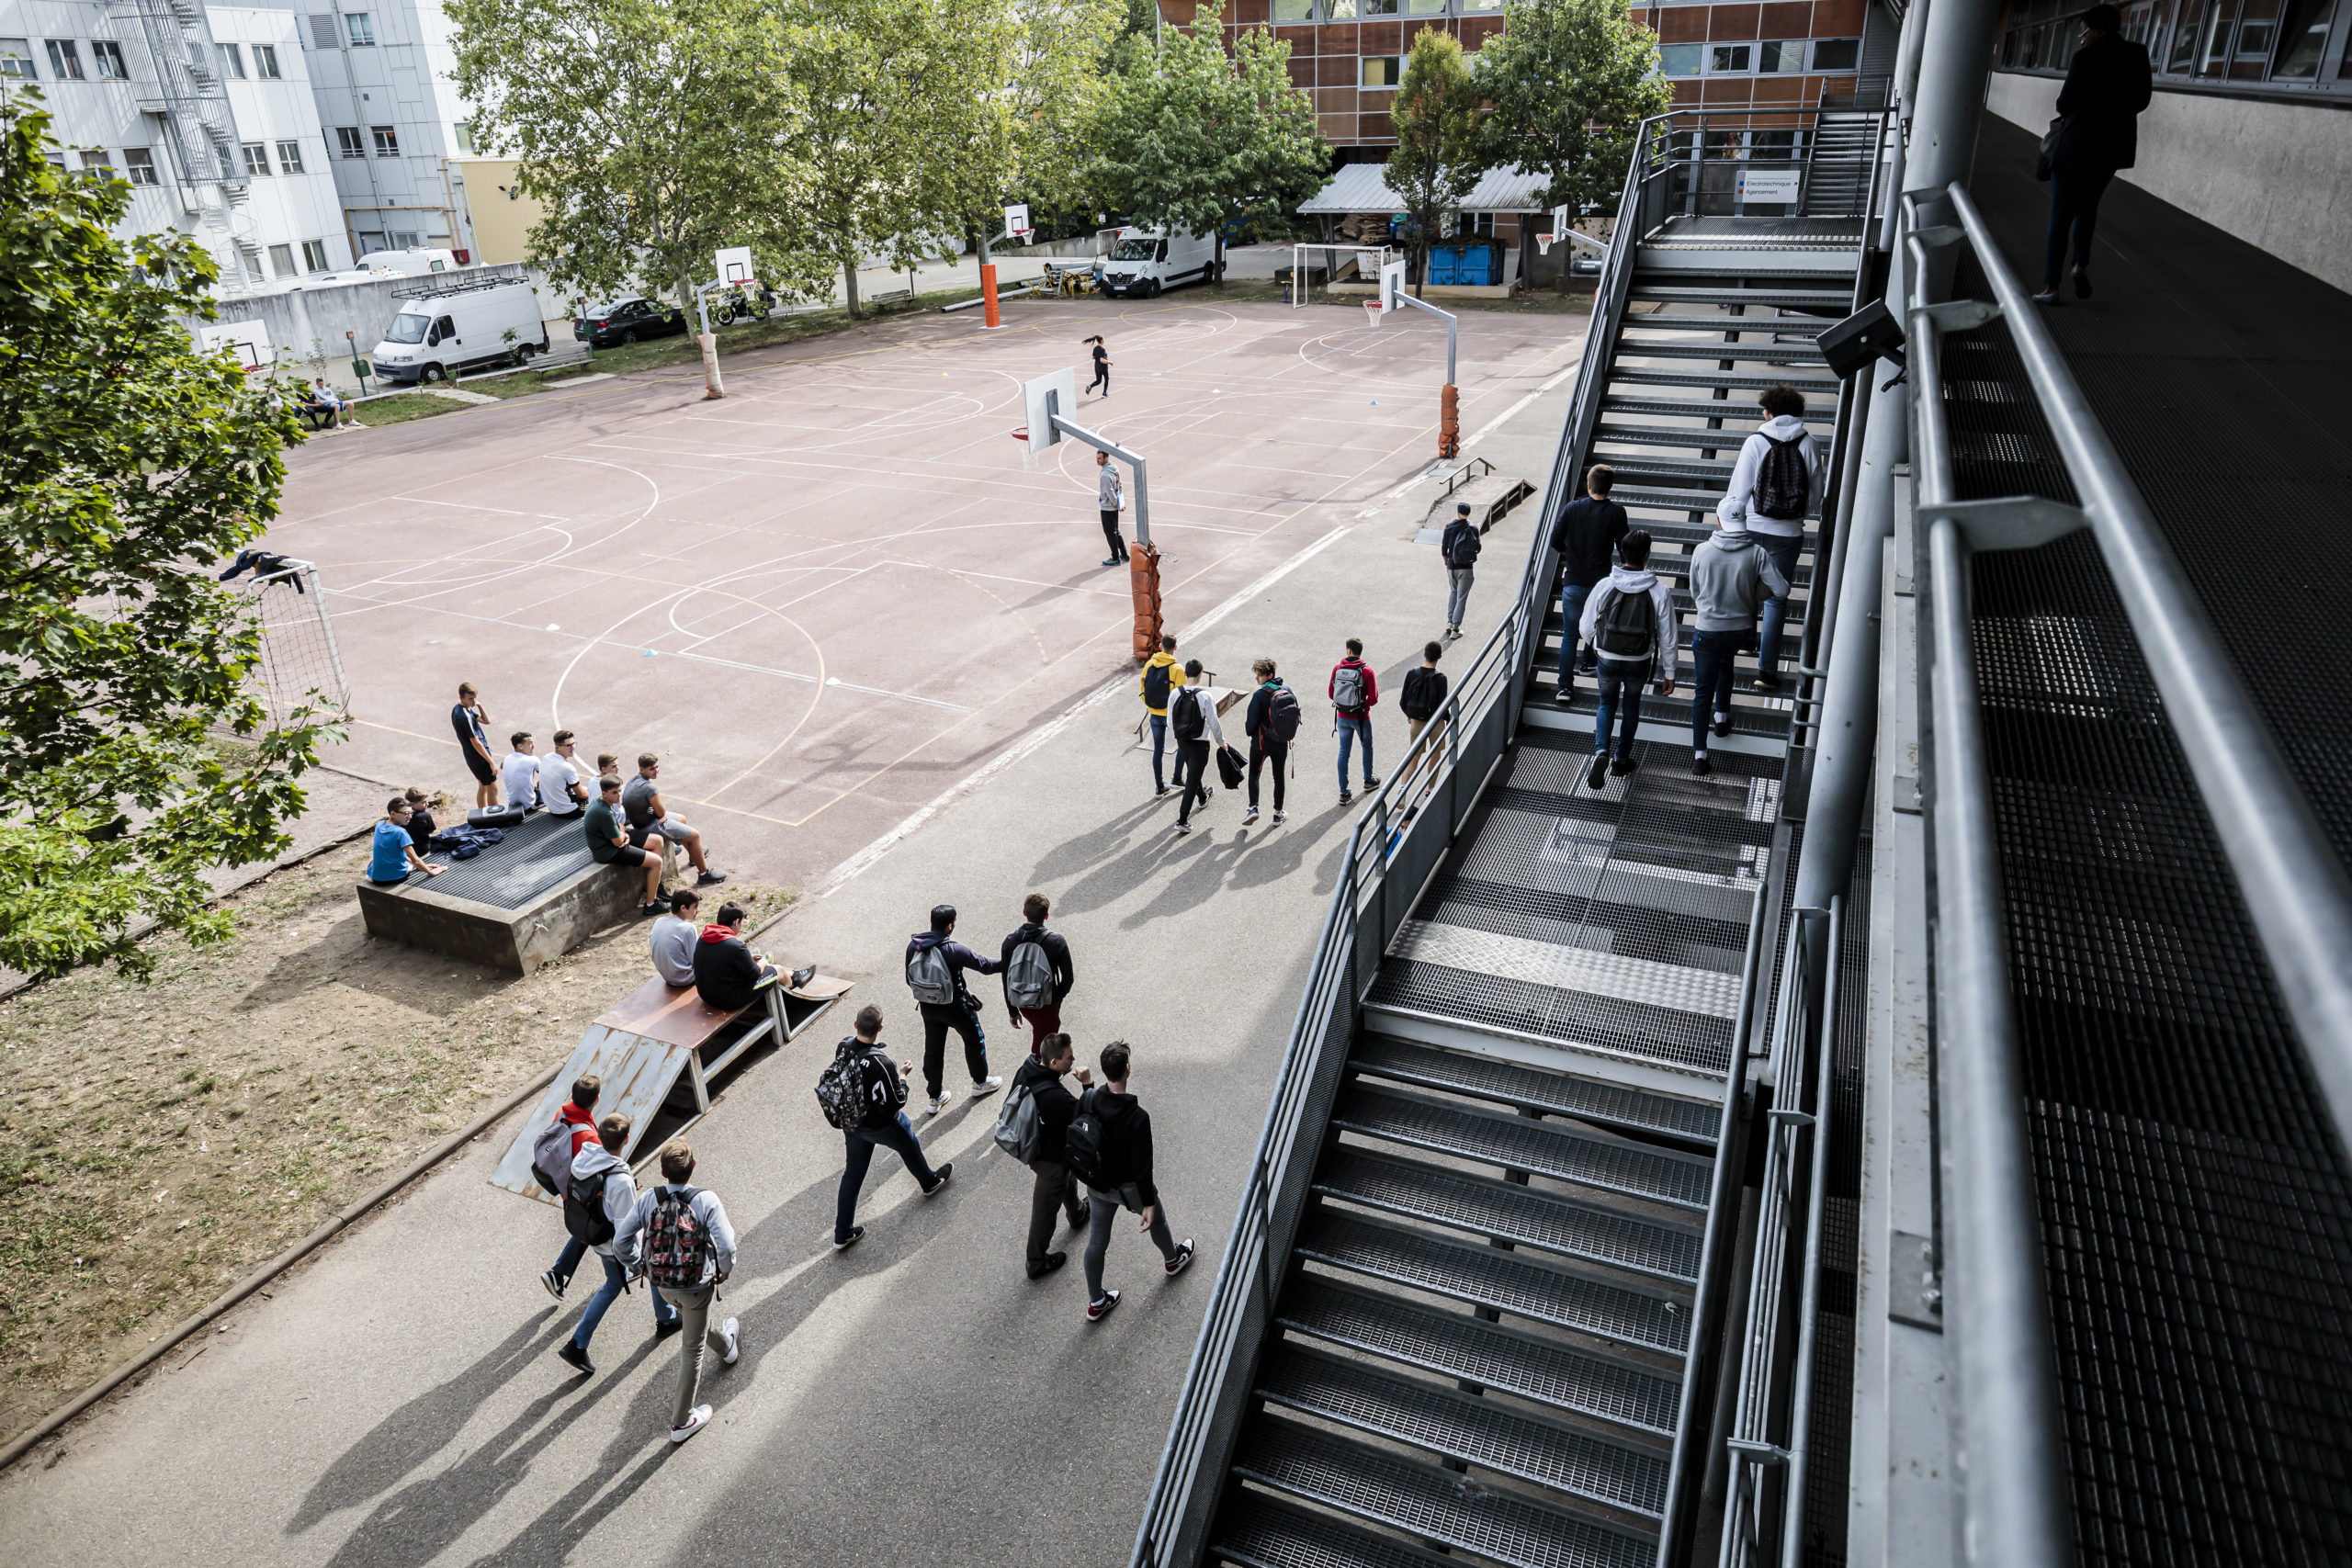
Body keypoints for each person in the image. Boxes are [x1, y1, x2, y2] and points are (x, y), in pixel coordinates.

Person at [611, 1141, 740, 1446]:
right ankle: (682, 1421)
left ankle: (727, 1347)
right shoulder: (706, 1200)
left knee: (696, 1323)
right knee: (692, 1350)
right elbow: (726, 1245)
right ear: (693, 1165)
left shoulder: (648, 1199)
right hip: (696, 1286)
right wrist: (724, 1270)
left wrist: (640, 1265)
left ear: (662, 1173)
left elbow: (620, 1242)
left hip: (663, 1287)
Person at [2034, 4, 2152, 306]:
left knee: (2060, 215)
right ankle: (2079, 264)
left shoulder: (2085, 57)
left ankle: (2051, 286)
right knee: (2088, 207)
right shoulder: (2137, 54)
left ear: (2099, 30)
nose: (2083, 39)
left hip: (2076, 144)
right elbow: (2142, 100)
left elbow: (2063, 104)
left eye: (2084, 33)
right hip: (2112, 147)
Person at [1073, 1041, 1193, 1323]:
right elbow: (1142, 1167)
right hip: (1130, 1189)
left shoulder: (1089, 1098)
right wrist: (1148, 1203)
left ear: (1104, 1070)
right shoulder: (1137, 1117)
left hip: (1098, 1186)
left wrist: (1087, 1086)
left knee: (1097, 1240)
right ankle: (1173, 1260)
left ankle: (1096, 1301)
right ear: (1127, 1069)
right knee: (1158, 1221)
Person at [553, 1111, 681, 1376]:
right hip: (614, 1245)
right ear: (627, 1139)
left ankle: (579, 1343)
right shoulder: (620, 1181)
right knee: (648, 1270)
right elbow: (625, 1231)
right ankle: (665, 1319)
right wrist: (637, 1262)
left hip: (595, 1236)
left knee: (616, 1283)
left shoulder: (585, 1157)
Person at [1714, 387, 1819, 692]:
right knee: (1776, 599)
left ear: (1770, 412)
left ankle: (1746, 641)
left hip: (1752, 526)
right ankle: (1767, 672)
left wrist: (1726, 520)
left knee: (1746, 583)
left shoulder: (1756, 441)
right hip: (1788, 533)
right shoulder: (1809, 443)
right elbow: (1815, 496)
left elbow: (1737, 492)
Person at [831, 1004, 953, 1252]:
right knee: (909, 1145)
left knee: (852, 1174)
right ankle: (929, 1182)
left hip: (852, 1123)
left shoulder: (843, 1046)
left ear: (855, 1025)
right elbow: (898, 1099)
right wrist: (903, 1076)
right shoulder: (882, 1063)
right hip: (881, 1124)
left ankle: (842, 1232)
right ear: (880, 1029)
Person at [1577, 532, 1679, 790]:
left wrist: (1596, 646)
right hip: (1639, 660)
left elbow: (1586, 626)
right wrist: (1670, 672)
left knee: (1606, 703)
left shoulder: (1605, 585)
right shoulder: (1659, 591)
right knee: (1631, 706)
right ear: (1647, 554)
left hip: (1608, 657)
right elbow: (1668, 637)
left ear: (1622, 552)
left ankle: (1601, 751)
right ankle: (1621, 759)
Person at [1688, 521, 1791, 777]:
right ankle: (1722, 719)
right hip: (1739, 629)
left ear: (1720, 521)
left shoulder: (1702, 550)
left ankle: (1700, 755)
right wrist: (1751, 592)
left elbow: (1695, 592)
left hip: (1708, 629)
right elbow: (1782, 590)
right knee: (1726, 664)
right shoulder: (1757, 552)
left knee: (1703, 691)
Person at [905, 904, 1003, 1115]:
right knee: (974, 1039)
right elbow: (986, 966)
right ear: (950, 926)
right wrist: (1010, 963)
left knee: (933, 1050)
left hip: (928, 1008)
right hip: (956, 1007)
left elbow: (909, 979)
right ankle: (980, 1083)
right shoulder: (953, 950)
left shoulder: (914, 946)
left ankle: (934, 1098)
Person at [1013, 1033, 1092, 1279]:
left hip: (1038, 1145)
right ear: (1054, 1063)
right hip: (1048, 1160)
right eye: (1069, 1057)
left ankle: (1077, 1213)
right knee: (1045, 1211)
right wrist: (1087, 1085)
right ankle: (1036, 1263)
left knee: (1067, 1176)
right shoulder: (1055, 1097)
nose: (1073, 1059)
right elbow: (1087, 1116)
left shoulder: (1027, 1069)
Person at [1552, 465, 1630, 703]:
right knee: (1597, 627)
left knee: (1569, 636)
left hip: (1573, 582)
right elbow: (1624, 548)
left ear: (1588, 485)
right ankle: (1587, 662)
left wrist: (1568, 553)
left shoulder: (1572, 508)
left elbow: (1555, 540)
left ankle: (1565, 688)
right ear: (1610, 487)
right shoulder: (1617, 513)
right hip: (1601, 586)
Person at [537, 1076, 603, 1299]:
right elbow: (602, 1167)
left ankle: (558, 1274)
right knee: (602, 1224)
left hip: (565, 1186)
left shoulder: (562, 1114)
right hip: (581, 1193)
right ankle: (628, 1266)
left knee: (587, 1228)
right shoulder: (588, 1135)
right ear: (597, 1099)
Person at [622, 754, 725, 886]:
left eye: (657, 767)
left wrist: (661, 814)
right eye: (652, 769)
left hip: (642, 822)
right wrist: (662, 814)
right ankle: (704, 874)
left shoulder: (633, 780)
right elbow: (661, 812)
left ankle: (694, 856)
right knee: (695, 835)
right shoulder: (649, 787)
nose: (656, 771)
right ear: (642, 769)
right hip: (649, 826)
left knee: (682, 819)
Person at [1000, 893, 1075, 1052]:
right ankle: (1038, 1065)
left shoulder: (1010, 942)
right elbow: (1068, 978)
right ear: (1046, 916)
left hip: (1022, 1001)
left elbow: (1006, 978)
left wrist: (1012, 1011)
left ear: (1024, 912)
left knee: (1042, 1034)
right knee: (1043, 1046)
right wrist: (1055, 998)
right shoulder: (1056, 942)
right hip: (1047, 1004)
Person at [585, 774, 669, 915]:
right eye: (614, 792)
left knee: (657, 841)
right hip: (607, 851)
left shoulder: (599, 802)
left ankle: (654, 886)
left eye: (620, 791)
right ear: (604, 793)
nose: (619, 795)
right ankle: (651, 904)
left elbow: (619, 828)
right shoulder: (604, 813)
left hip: (613, 840)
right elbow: (618, 842)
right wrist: (624, 834)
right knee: (657, 862)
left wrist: (622, 832)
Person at [1170, 659, 1227, 836]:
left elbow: (1170, 721)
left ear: (1185, 673)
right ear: (1201, 674)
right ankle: (1182, 820)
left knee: (1194, 773)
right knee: (1193, 778)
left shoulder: (1175, 693)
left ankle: (1202, 797)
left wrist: (1178, 736)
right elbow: (1214, 723)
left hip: (1183, 741)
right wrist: (1222, 743)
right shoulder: (1205, 696)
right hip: (1200, 744)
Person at [694, 902, 777, 1012]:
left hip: (706, 995)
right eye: (741, 923)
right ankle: (792, 985)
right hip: (729, 1001)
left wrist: (748, 957)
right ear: (736, 922)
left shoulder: (703, 937)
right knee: (775, 970)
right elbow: (755, 974)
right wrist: (764, 961)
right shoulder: (735, 946)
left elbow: (719, 958)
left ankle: (794, 977)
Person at [1242, 658, 1296, 828]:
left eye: (1259, 675)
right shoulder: (1286, 690)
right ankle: (1278, 814)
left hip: (1260, 744)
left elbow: (1250, 724)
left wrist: (1250, 732)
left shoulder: (1259, 695)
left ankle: (1253, 808)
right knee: (1278, 777)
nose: (1256, 678)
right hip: (1280, 742)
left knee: (1254, 774)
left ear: (1270, 675)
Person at [1329, 637, 1381, 805]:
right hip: (1361, 718)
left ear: (1349, 651)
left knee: (1344, 751)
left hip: (1342, 717)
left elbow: (1331, 693)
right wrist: (1363, 705)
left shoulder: (1338, 668)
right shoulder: (1367, 671)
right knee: (1367, 746)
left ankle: (1344, 792)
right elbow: (1373, 698)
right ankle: (1368, 780)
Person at [1139, 633, 1187, 796]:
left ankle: (1160, 787)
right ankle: (1177, 778)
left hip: (1154, 714)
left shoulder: (1149, 664)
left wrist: (1151, 706)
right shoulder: (1177, 669)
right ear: (1175, 647)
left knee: (1158, 750)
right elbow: (1182, 696)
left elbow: (1143, 688)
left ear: (1160, 646)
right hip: (1171, 716)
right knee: (1183, 745)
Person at [368, 796, 444, 886]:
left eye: (411, 813)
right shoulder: (401, 832)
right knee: (408, 864)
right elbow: (415, 860)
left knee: (372, 862)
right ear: (393, 814)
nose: (410, 816)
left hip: (376, 878)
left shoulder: (379, 825)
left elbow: (392, 852)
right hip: (396, 878)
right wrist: (432, 872)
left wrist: (422, 865)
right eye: (406, 813)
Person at [1440, 502, 1481, 640]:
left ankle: (1450, 622)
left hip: (1452, 566)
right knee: (1462, 597)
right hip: (1466, 568)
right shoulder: (1473, 529)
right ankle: (1456, 629)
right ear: (1469, 514)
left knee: (1453, 592)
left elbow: (1444, 549)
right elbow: (1478, 548)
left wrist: (1447, 563)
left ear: (1458, 512)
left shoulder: (1449, 527)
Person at [451, 682, 497, 807]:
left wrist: (479, 705)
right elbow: (476, 743)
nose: (473, 702)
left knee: (483, 786)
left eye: (475, 698)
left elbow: (486, 721)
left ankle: (483, 813)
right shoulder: (465, 716)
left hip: (472, 756)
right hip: (479, 757)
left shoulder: (461, 709)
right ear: (461, 697)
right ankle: (495, 814)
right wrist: (491, 762)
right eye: (470, 699)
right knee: (492, 789)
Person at [650, 887, 702, 987]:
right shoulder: (688, 928)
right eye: (695, 907)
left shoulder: (659, 921)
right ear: (683, 908)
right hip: (686, 978)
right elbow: (696, 960)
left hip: (666, 977)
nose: (698, 910)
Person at [1400, 640, 1449, 744]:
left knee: (1415, 752)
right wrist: (1449, 719)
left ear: (1424, 655)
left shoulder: (1412, 673)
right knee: (1436, 751)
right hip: (1436, 721)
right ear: (1440, 657)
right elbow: (1443, 705)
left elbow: (1403, 701)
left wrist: (1410, 715)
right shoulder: (1441, 678)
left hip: (1416, 719)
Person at [538, 730, 587, 818]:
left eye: (573, 744)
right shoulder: (568, 768)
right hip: (569, 811)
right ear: (557, 748)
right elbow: (582, 795)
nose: (572, 748)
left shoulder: (546, 758)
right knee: (599, 796)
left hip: (552, 809)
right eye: (568, 746)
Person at [1097, 449, 1129, 568]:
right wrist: (1120, 503)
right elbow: (1120, 485)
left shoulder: (1105, 475)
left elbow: (1109, 492)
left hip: (1107, 508)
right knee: (1116, 531)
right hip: (1114, 508)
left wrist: (1116, 504)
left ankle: (1115, 558)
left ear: (1106, 458)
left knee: (1110, 533)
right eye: (1097, 458)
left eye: (1100, 458)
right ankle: (1124, 554)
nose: (1097, 460)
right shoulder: (1115, 469)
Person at [500, 732, 539, 813]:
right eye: (530, 743)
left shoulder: (507, 758)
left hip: (512, 802)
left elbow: (501, 766)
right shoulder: (533, 759)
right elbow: (546, 775)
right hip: (528, 804)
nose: (533, 746)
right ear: (520, 746)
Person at [399, 787, 437, 851]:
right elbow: (431, 830)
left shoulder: (400, 816)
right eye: (424, 802)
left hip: (405, 851)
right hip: (423, 850)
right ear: (412, 805)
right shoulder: (425, 815)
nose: (427, 804)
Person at [1084, 334, 1111, 399]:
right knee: (1106, 379)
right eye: (1103, 339)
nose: (1104, 340)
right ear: (1101, 341)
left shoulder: (1095, 348)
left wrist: (1097, 356)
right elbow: (1102, 360)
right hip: (1103, 367)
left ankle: (1090, 386)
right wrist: (1109, 362)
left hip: (1097, 367)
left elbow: (1093, 357)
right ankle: (1104, 393)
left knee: (1098, 381)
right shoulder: (1102, 349)